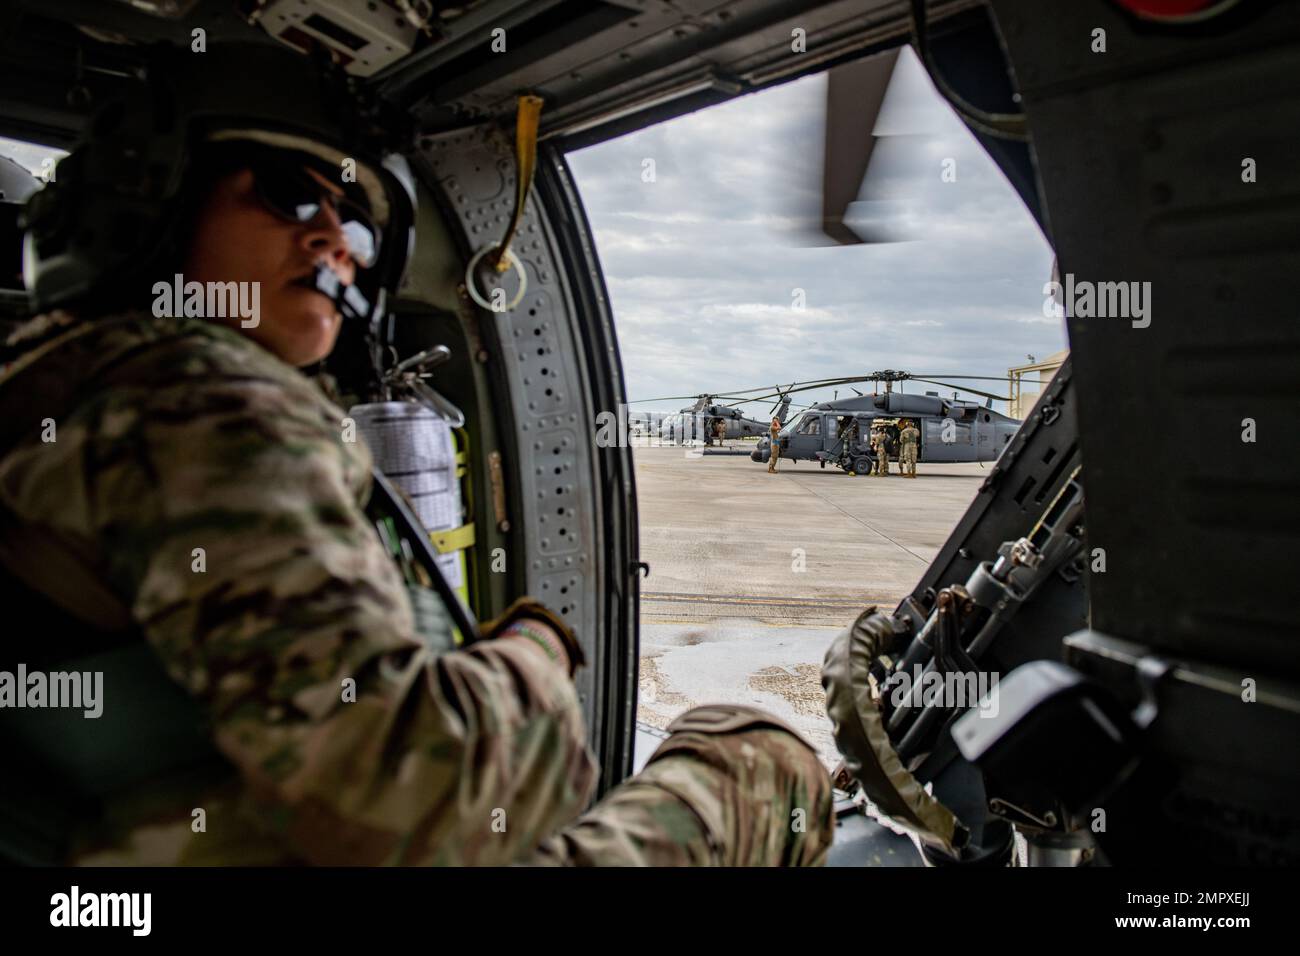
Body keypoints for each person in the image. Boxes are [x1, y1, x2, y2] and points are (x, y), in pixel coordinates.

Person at [0, 44, 832, 866]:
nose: (334, 242)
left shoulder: (61, 388)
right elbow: (431, 800)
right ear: (151, 202)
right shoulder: (202, 394)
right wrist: (539, 649)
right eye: (291, 197)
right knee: (759, 759)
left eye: (353, 224)